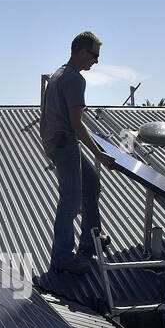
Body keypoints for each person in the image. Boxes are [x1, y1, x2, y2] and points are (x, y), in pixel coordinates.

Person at [40, 31, 115, 273]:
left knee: (91, 183)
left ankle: (90, 239)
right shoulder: (74, 80)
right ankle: (62, 257)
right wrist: (99, 154)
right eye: (94, 55)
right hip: (66, 145)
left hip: (56, 143)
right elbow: (76, 124)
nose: (96, 61)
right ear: (81, 51)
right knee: (70, 202)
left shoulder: (59, 74)